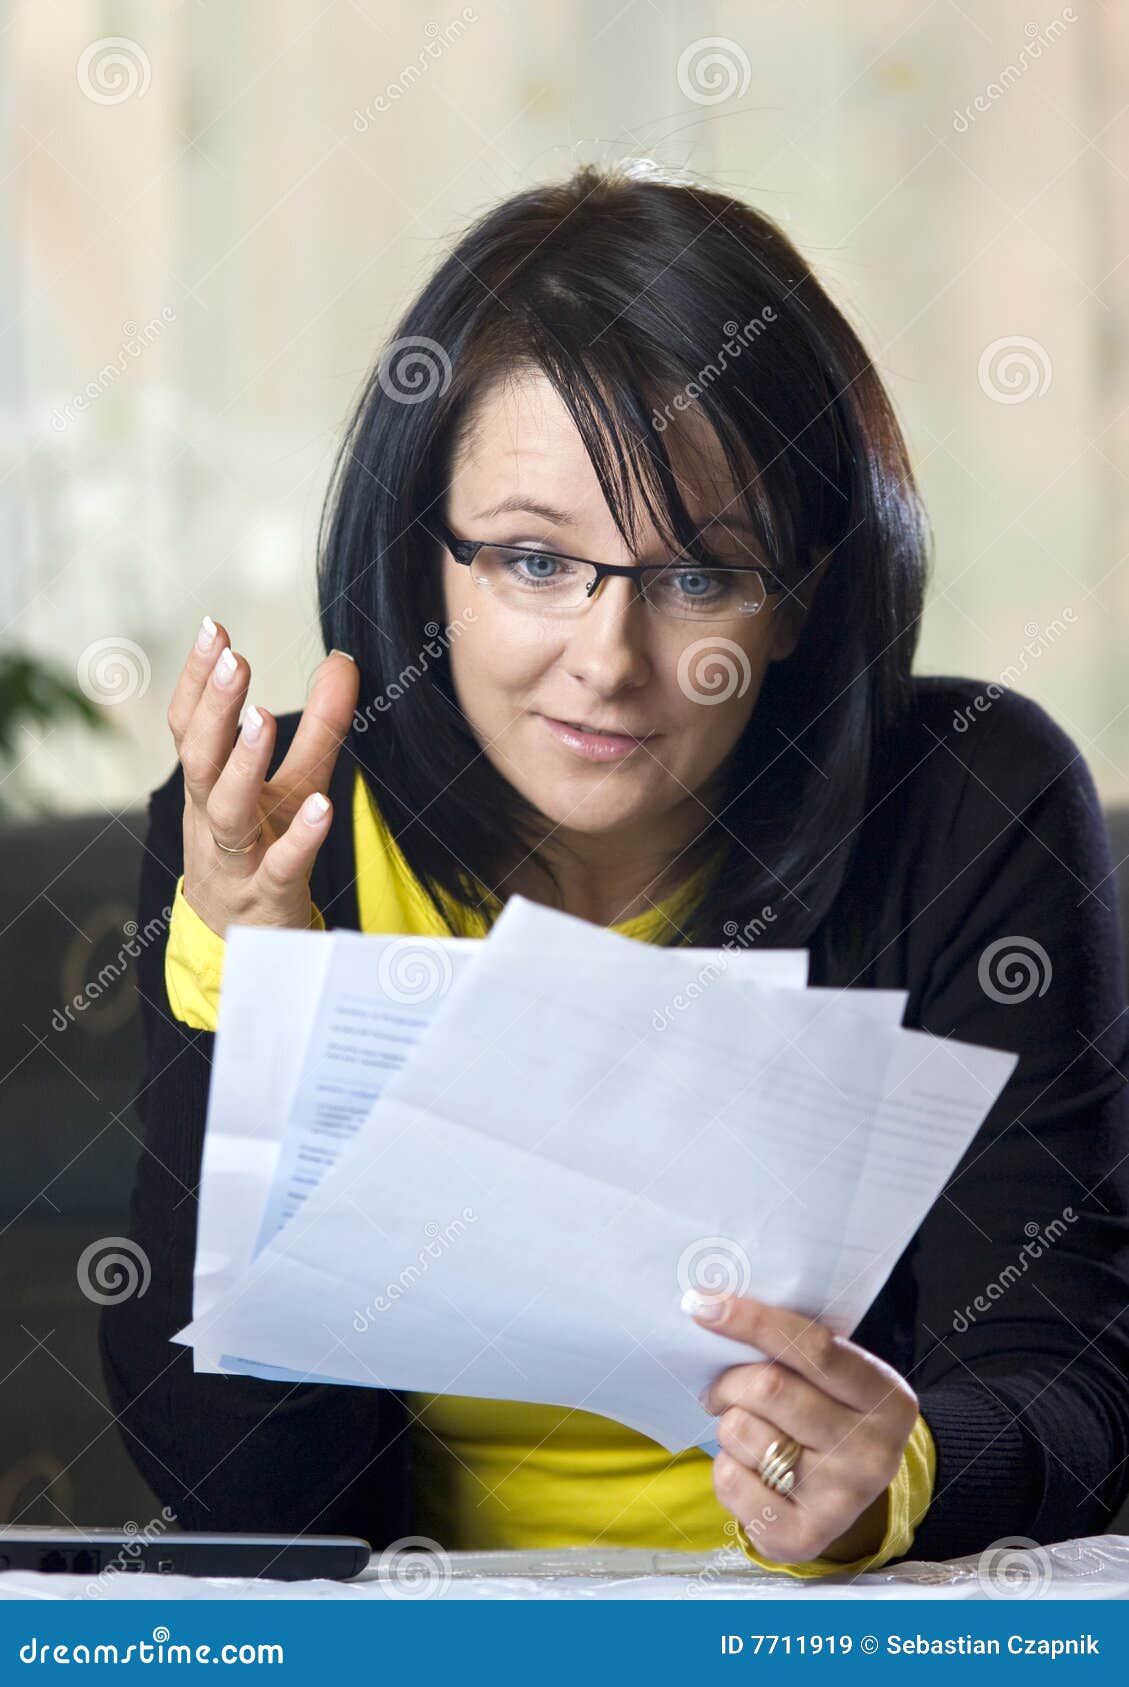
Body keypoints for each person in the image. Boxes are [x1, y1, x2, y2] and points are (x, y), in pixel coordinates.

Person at [101, 163, 1129, 1577]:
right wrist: (259, 981)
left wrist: (907, 1471)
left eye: (700, 574)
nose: (608, 659)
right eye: (532, 560)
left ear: (804, 591)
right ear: (427, 560)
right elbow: (252, 1495)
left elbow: (1069, 1384)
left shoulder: (969, 800)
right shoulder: (276, 817)